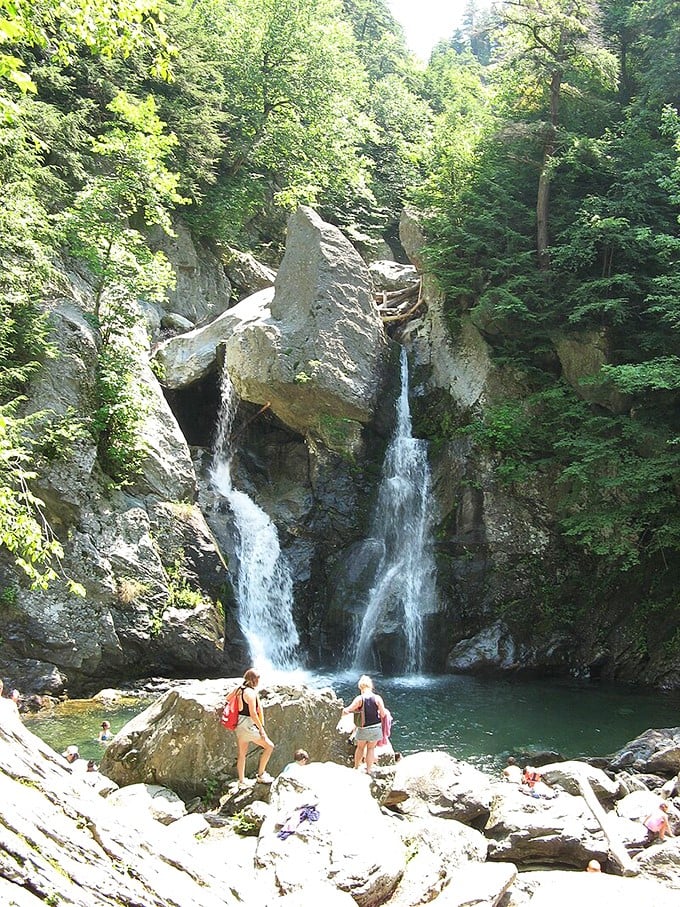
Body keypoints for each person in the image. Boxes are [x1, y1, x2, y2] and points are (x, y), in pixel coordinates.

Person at [234, 668, 275, 788]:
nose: (259, 681)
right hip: (248, 725)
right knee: (269, 746)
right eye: (258, 678)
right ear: (253, 680)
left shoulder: (239, 690)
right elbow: (253, 713)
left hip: (239, 723)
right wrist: (261, 729)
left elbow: (227, 698)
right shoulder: (250, 694)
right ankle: (261, 775)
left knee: (242, 754)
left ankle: (241, 781)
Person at [342, 675, 387, 775]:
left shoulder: (359, 699)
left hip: (363, 728)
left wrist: (342, 712)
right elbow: (383, 714)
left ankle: (356, 767)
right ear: (371, 686)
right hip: (376, 728)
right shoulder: (377, 698)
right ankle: (369, 769)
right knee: (371, 748)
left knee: (360, 748)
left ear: (360, 687)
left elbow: (348, 710)